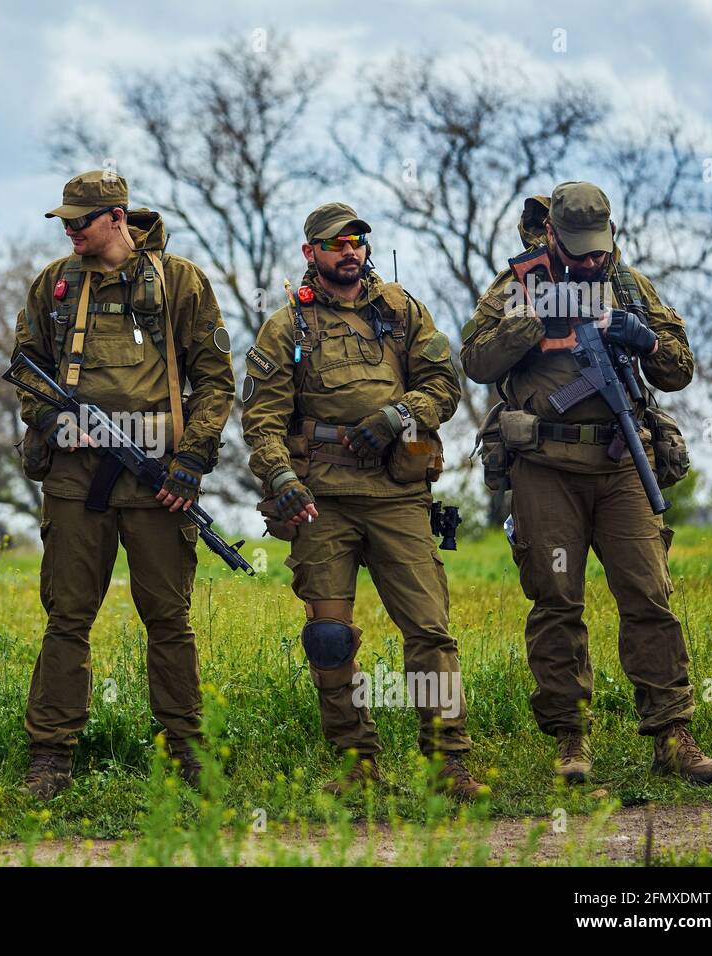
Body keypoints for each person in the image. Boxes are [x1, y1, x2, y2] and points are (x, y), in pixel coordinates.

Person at [461, 181, 712, 785]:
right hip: (546, 469)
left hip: (620, 461)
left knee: (649, 595)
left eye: (596, 249)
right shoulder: (519, 284)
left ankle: (672, 735)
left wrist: (647, 340)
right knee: (557, 601)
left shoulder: (627, 284)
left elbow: (680, 368)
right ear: (551, 233)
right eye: (577, 249)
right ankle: (571, 741)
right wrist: (528, 325)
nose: (588, 260)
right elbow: (473, 362)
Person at [241, 202, 483, 800]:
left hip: (397, 493)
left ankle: (448, 764)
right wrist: (280, 479)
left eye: (356, 241)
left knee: (429, 630)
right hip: (322, 497)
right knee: (329, 636)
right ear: (311, 254)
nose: (349, 251)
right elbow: (262, 420)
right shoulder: (286, 328)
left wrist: (399, 415)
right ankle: (357, 763)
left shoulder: (401, 311)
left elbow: (444, 386)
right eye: (335, 243)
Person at [10, 170, 235, 799]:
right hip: (76, 481)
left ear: (117, 217)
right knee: (67, 618)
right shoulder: (54, 285)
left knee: (168, 618)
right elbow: (27, 371)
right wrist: (56, 422)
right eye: (66, 223)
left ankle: (187, 753)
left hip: (158, 477)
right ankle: (50, 756)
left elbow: (215, 380)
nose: (72, 232)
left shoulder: (179, 281)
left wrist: (191, 462)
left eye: (82, 221)